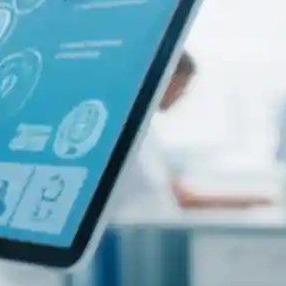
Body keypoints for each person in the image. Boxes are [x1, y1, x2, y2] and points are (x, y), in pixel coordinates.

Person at [116, 52, 273, 211]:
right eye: (181, 86)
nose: (181, 94)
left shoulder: (147, 134)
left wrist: (250, 201)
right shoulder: (124, 133)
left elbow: (182, 196)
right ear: (164, 80)